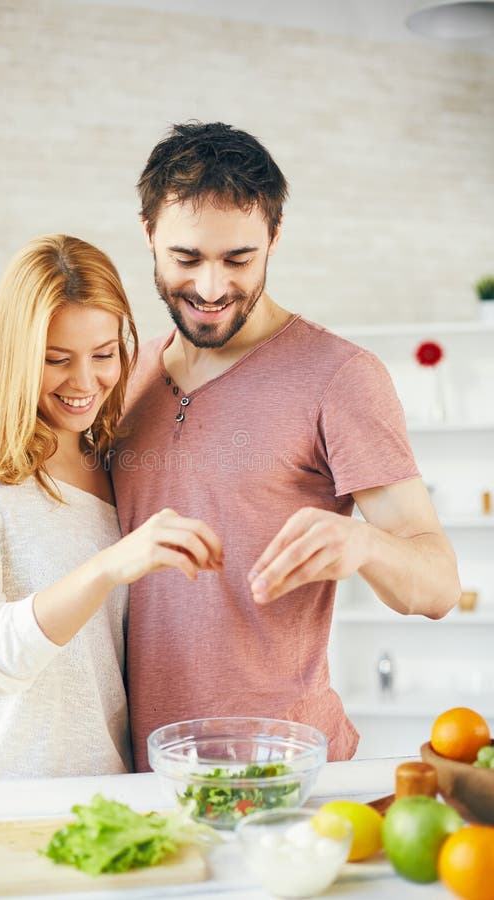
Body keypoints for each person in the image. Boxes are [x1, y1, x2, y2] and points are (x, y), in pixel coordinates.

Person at [111, 122, 461, 771]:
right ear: (147, 235)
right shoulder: (123, 377)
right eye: (186, 259)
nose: (212, 289)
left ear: (275, 237)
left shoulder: (339, 377)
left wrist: (364, 543)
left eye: (238, 259)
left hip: (288, 773)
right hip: (148, 774)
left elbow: (438, 587)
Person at [0, 234, 222, 782]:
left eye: (103, 355)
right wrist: (106, 568)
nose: (85, 383)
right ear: (16, 356)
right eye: (56, 360)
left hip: (102, 788)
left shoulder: (115, 470)